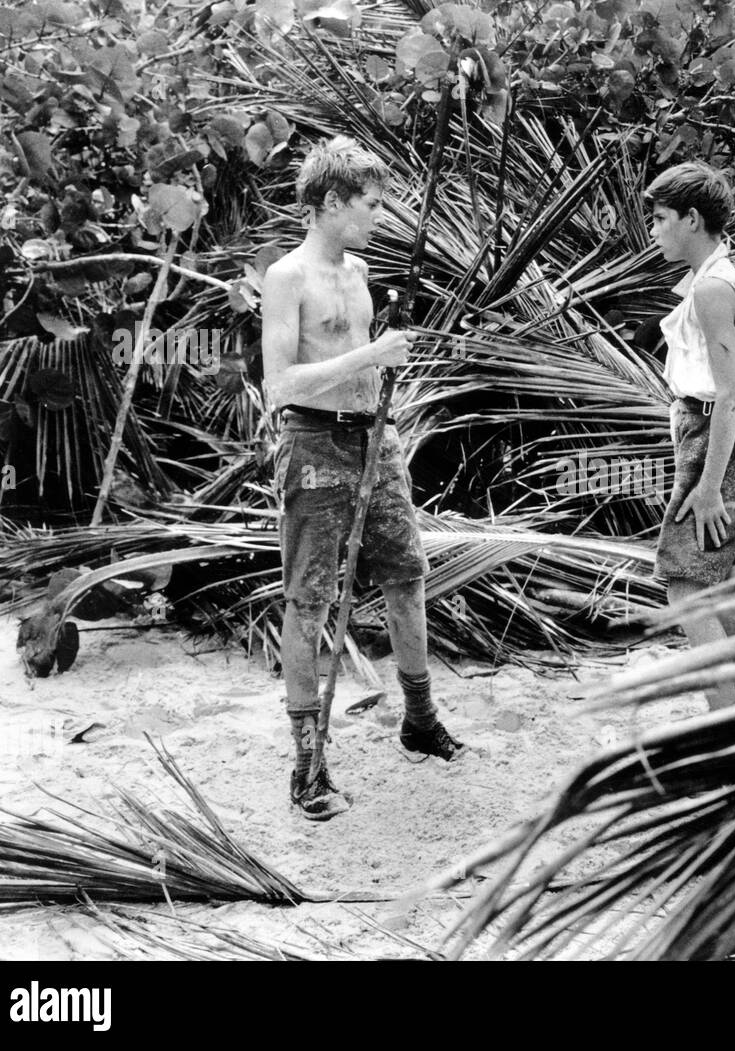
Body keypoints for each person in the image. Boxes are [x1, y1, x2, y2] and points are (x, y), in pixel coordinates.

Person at [262, 135, 463, 821]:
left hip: (378, 441)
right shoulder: (288, 277)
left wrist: (383, 367)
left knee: (407, 577)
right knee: (309, 599)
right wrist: (370, 355)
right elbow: (280, 381)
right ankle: (307, 763)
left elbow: (365, 358)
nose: (379, 216)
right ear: (328, 204)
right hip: (314, 444)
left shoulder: (362, 270)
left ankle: (420, 717)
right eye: (369, 205)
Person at [646, 161, 735, 710]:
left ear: (692, 219)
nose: (654, 231)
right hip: (724, 433)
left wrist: (710, 485)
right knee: (731, 586)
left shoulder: (713, 290)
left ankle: (726, 733)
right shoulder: (714, 280)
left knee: (686, 585)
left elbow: (728, 392)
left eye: (660, 218)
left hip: (715, 435)